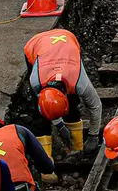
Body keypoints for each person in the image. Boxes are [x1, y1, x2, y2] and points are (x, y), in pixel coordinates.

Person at [23, 28, 102, 164]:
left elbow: (96, 106)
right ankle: (46, 164)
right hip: (37, 44)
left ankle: (77, 147)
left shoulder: (79, 81)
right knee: (39, 114)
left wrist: (93, 136)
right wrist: (59, 125)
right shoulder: (36, 81)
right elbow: (46, 108)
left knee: (73, 101)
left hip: (67, 40)